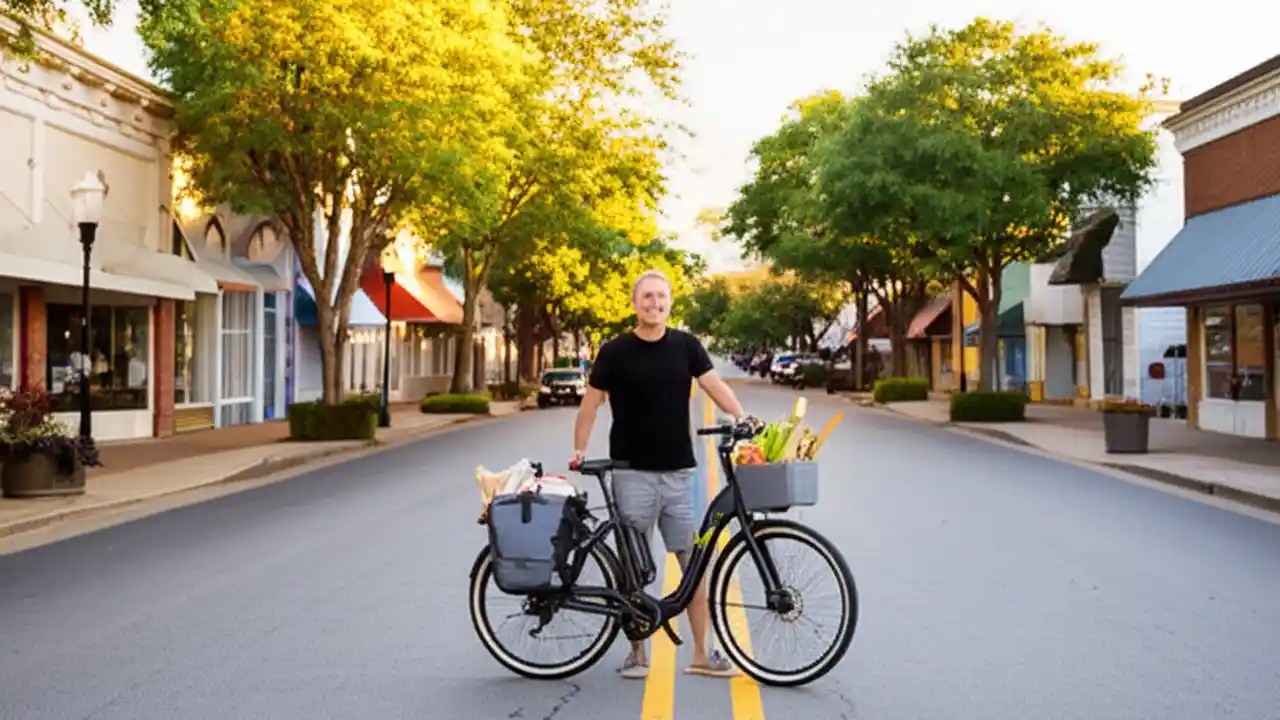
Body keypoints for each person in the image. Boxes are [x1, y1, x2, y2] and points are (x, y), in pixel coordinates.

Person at [571, 268, 754, 680]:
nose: (654, 303)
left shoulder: (687, 346)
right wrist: (579, 448)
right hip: (631, 473)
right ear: (635, 304)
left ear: (670, 302)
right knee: (635, 567)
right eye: (647, 297)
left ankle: (702, 655)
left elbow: (714, 386)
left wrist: (742, 415)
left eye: (661, 297)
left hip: (679, 474)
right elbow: (590, 404)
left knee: (692, 562)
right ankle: (637, 653)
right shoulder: (615, 351)